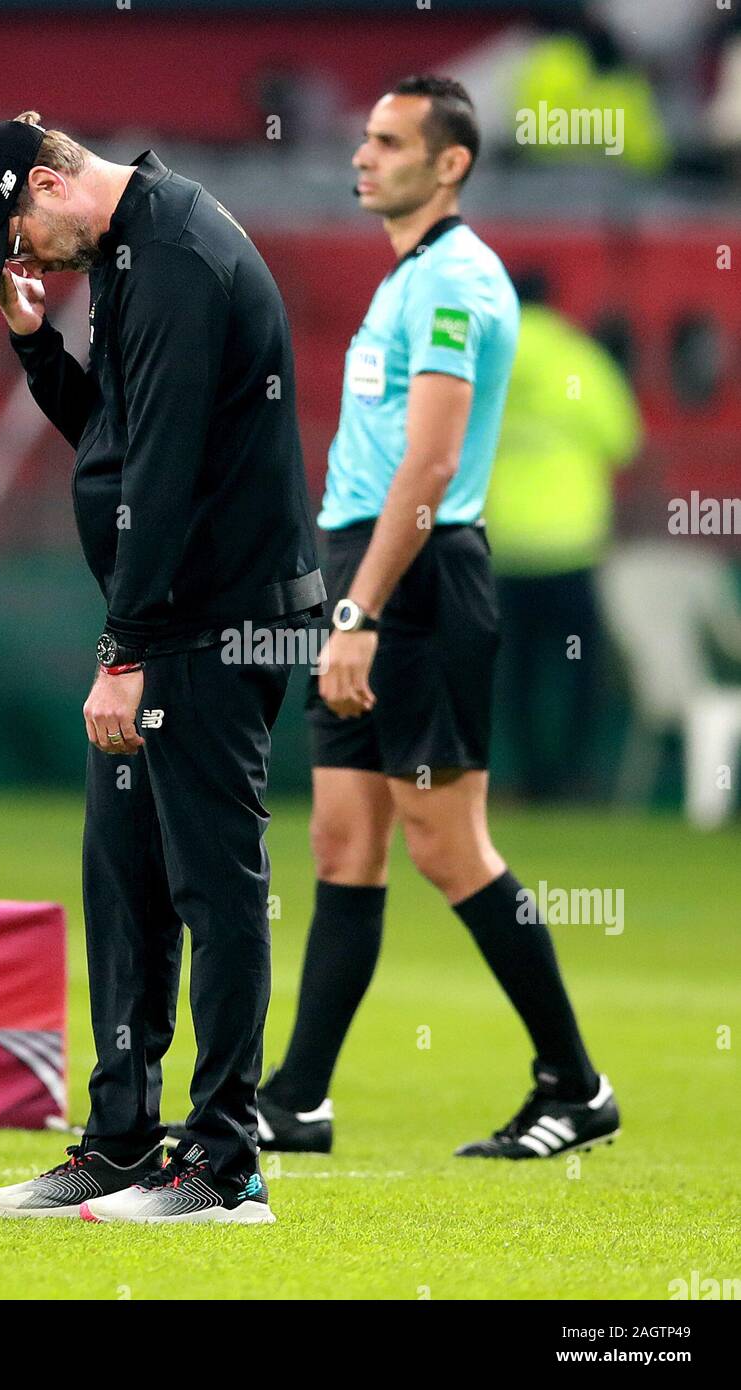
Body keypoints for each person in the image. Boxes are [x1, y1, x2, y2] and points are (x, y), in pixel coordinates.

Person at [216, 76, 620, 1160]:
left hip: (419, 588)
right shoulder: (409, 279)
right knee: (345, 838)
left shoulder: (457, 284)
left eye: (390, 141)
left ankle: (574, 1084)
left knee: (449, 845)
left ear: (451, 164)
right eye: (365, 136)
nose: (364, 154)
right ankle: (297, 1098)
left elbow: (432, 466)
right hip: (371, 573)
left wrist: (357, 613)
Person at [0, 112, 325, 1223]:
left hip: (214, 620)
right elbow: (115, 442)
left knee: (214, 883)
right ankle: (119, 1142)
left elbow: (158, 478)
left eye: (13, 235)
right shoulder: (128, 251)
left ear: (50, 179)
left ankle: (225, 1160)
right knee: (125, 884)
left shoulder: (171, 259)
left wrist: (126, 652)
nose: (19, 263)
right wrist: (33, 348)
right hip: (173, 619)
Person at [487, 272, 641, 800]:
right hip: (570, 543)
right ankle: (575, 777)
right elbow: (624, 440)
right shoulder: (579, 359)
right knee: (578, 670)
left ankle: (526, 780)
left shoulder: (484, 359)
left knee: (518, 673)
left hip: (504, 545)